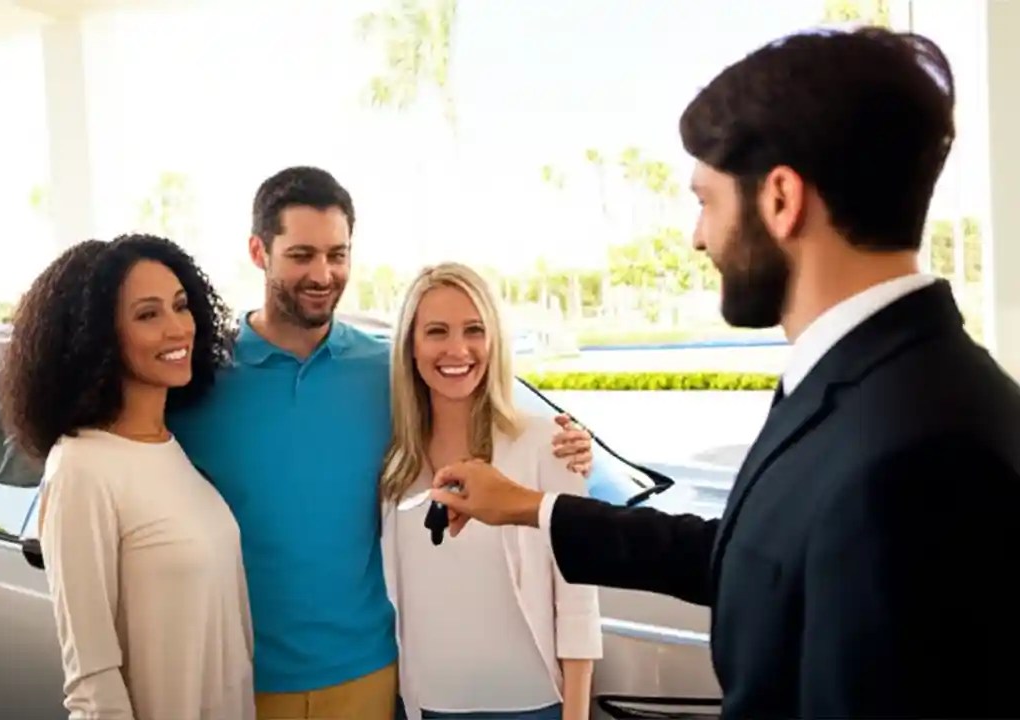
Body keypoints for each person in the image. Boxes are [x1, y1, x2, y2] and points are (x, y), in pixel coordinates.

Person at [427, 26, 1020, 719]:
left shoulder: (926, 453)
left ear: (780, 199)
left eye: (706, 200)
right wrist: (531, 506)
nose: (696, 236)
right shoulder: (865, 385)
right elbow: (753, 558)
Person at [169, 166, 597, 720]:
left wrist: (573, 446)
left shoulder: (385, 373)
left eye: (337, 254)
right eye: (301, 255)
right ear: (259, 251)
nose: (322, 273)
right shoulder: (202, 380)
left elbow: (481, 399)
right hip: (242, 676)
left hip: (372, 675)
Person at [0, 234, 255, 720]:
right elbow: (92, 684)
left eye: (181, 306)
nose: (178, 328)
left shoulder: (173, 450)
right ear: (98, 338)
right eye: (147, 314)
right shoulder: (82, 468)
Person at [380, 262, 601, 720]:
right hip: (425, 706)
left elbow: (578, 599)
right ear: (411, 347)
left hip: (533, 705)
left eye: (474, 329)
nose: (457, 349)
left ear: (494, 340)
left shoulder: (548, 444)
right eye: (436, 331)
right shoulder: (394, 462)